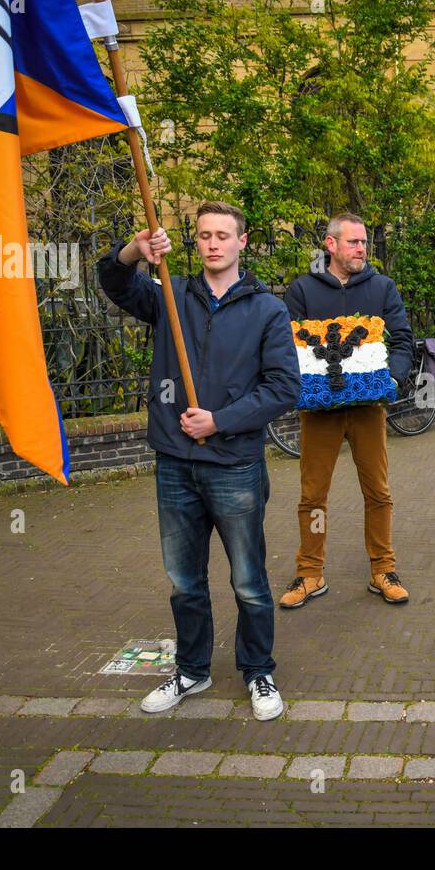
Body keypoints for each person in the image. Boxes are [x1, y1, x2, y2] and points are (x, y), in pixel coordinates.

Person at [97, 201, 300, 719]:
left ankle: (259, 672)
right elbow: (115, 284)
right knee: (185, 581)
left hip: (235, 466)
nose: (212, 243)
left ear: (242, 242)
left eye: (223, 235)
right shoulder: (170, 295)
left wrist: (221, 420)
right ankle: (192, 670)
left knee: (249, 580)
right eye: (204, 235)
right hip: (175, 464)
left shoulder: (268, 310)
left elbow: (283, 389)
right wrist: (133, 252)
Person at [280, 213, 415, 609]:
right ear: (331, 244)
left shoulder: (382, 288)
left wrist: (393, 380)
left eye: (364, 243)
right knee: (313, 494)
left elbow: (403, 339)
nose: (361, 249)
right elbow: (288, 346)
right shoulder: (303, 290)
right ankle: (310, 572)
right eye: (353, 242)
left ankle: (382, 570)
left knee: (378, 491)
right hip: (319, 410)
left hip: (368, 407)